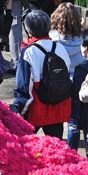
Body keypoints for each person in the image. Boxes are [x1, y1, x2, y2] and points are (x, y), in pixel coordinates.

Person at [12, 9, 74, 138]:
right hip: (58, 107)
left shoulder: (29, 52)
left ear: (29, 31)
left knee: (24, 147)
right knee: (56, 149)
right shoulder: (59, 48)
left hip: (36, 108)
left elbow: (24, 84)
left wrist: (20, 109)